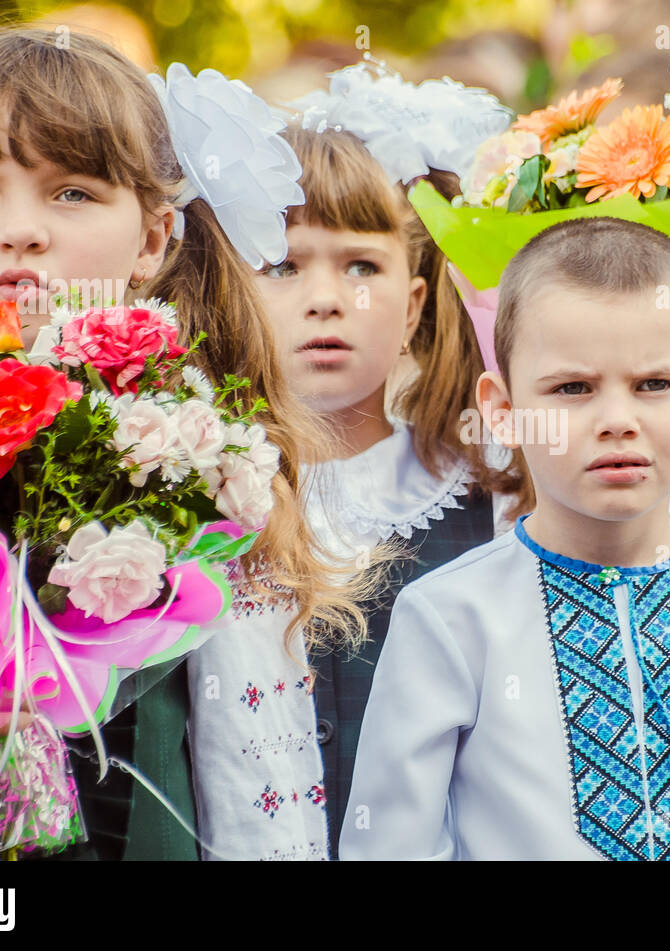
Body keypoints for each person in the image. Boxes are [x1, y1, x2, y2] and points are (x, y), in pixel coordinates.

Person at [0, 27, 353, 860]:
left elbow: (258, 781)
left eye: (73, 193)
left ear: (155, 239)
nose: (20, 231)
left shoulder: (220, 465)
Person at [341, 217, 670, 860]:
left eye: (654, 385)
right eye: (572, 388)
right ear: (502, 408)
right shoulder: (448, 619)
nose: (617, 421)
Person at [189, 73, 523, 857]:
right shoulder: (195, 494)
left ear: (412, 308)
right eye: (284, 266)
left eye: (361, 267)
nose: (325, 298)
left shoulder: (493, 496)